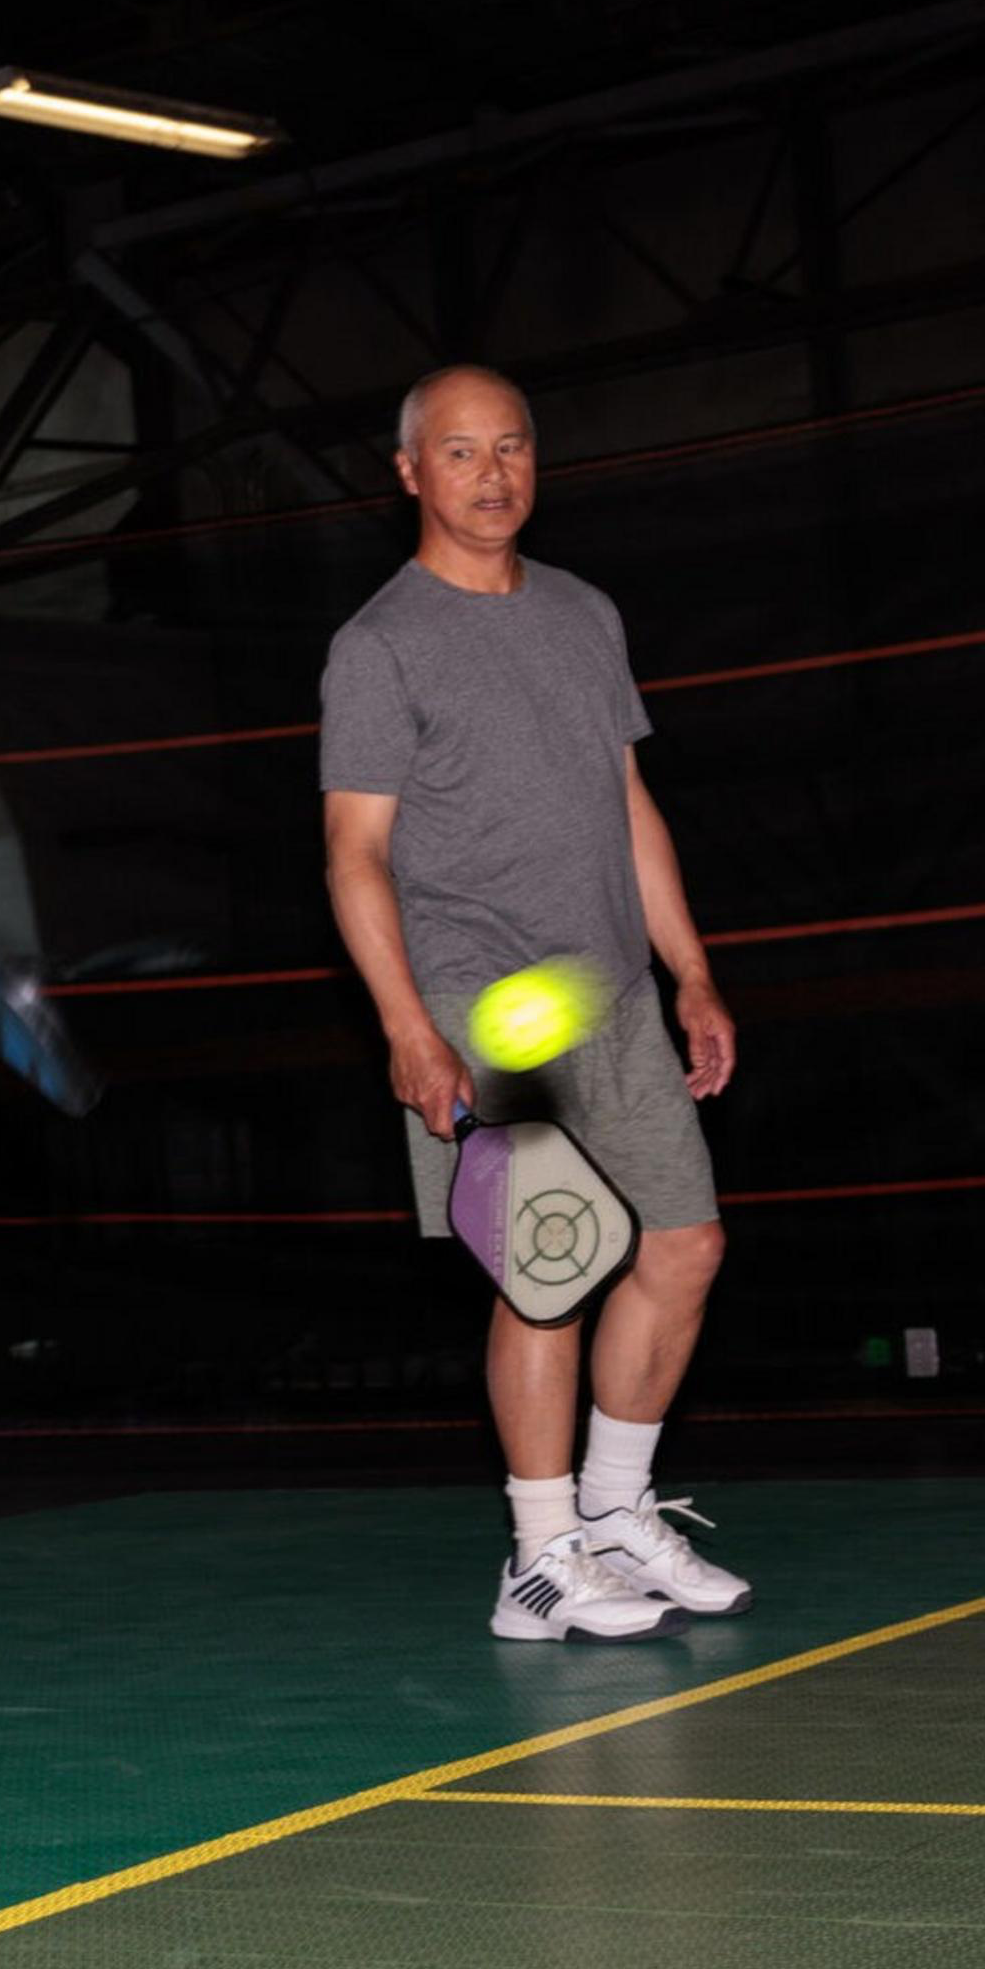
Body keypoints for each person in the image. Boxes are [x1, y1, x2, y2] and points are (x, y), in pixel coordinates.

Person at [318, 365, 749, 1644]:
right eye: (460, 452)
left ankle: (613, 1514)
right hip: (486, 1004)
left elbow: (627, 803)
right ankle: (540, 1555)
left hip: (610, 989)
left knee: (683, 1247)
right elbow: (352, 855)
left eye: (511, 446)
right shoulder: (379, 645)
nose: (492, 473)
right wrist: (409, 1028)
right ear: (411, 472)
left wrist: (692, 971)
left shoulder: (582, 612)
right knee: (548, 1275)